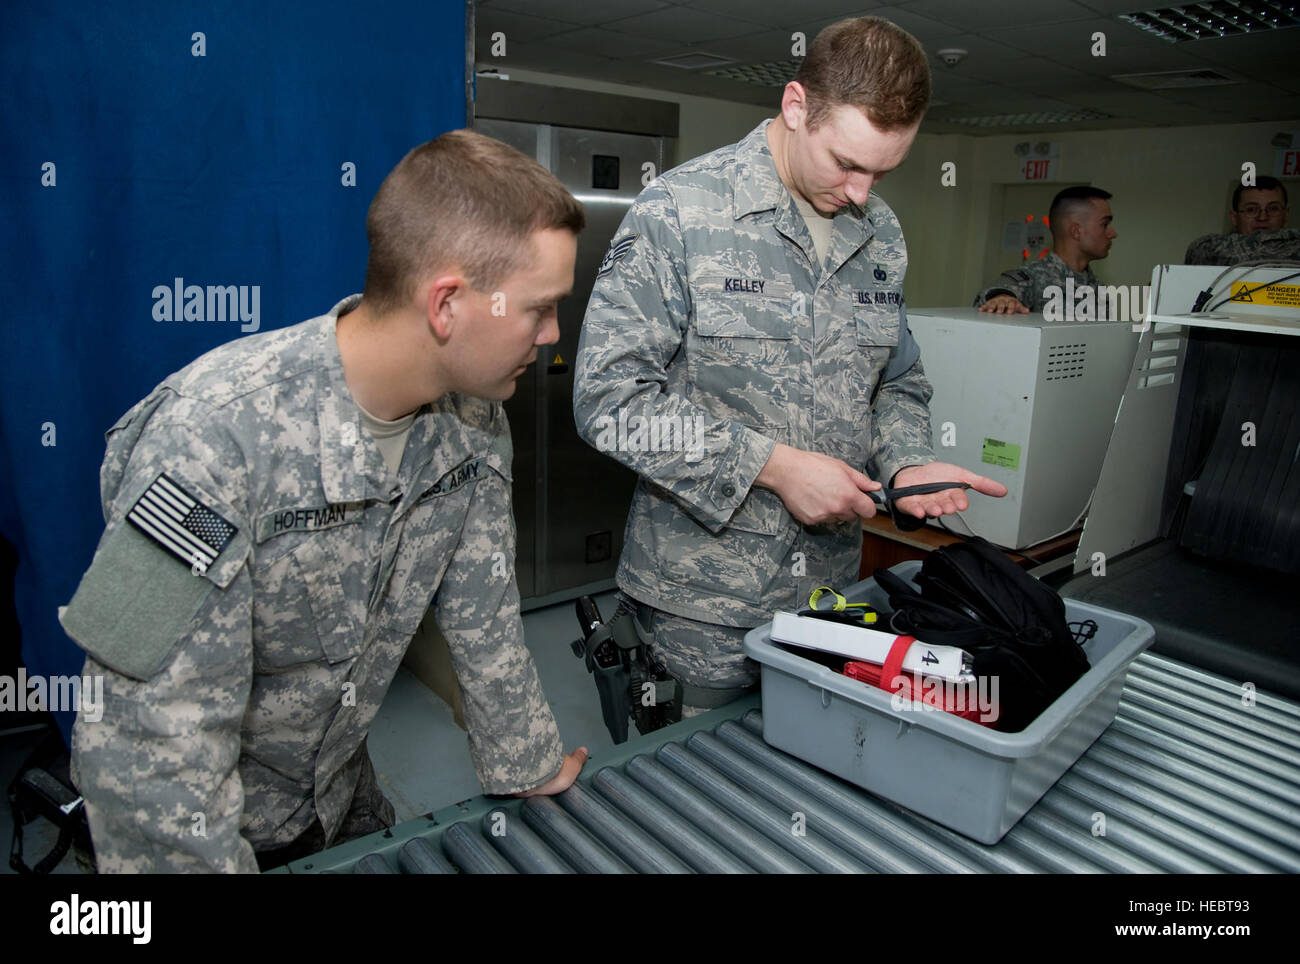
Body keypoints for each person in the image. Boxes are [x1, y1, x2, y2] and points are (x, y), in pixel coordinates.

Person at [60, 130, 589, 872]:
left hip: (342, 806)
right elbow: (148, 739)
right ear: (447, 304)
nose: (552, 335)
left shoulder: (474, 424)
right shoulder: (211, 439)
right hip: (204, 837)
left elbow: (484, 617)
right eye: (539, 309)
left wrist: (527, 760)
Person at [573, 17, 1006, 717]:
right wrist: (773, 466)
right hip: (701, 607)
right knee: (696, 805)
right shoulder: (679, 213)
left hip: (826, 592)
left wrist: (907, 461)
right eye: (847, 163)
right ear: (796, 107)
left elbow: (896, 379)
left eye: (883, 170)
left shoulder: (881, 234)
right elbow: (608, 403)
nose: (863, 191)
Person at [974, 186, 1117, 314]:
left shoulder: (1097, 287)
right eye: (1104, 224)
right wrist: (1002, 299)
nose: (1113, 233)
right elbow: (999, 294)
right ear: (1076, 231)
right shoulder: (1032, 278)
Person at [1185, 176, 1300, 265]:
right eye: (1251, 209)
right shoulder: (1207, 250)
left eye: (1273, 208)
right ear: (1234, 218)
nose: (1263, 217)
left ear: (1286, 214)